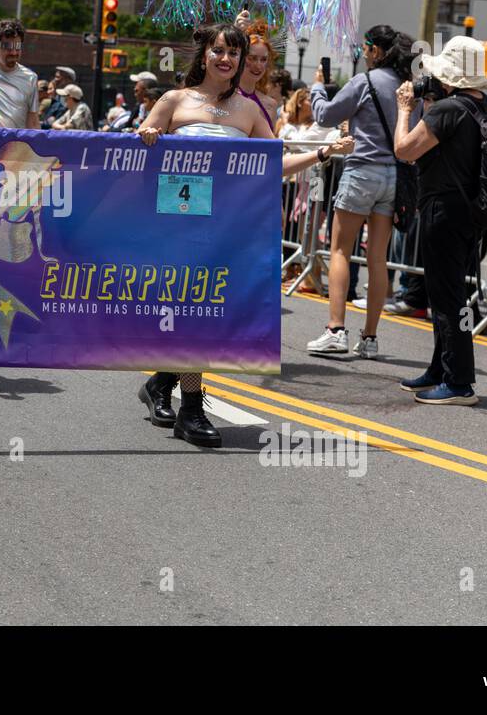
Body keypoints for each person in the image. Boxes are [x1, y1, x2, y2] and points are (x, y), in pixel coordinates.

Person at [133, 22, 275, 448]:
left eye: (234, 53)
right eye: (219, 51)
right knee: (191, 311)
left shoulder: (249, 110)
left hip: (224, 226)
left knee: (201, 311)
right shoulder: (174, 99)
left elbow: (272, 160)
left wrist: (321, 153)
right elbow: (131, 151)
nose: (226, 59)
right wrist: (147, 136)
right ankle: (191, 408)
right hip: (175, 225)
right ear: (204, 55)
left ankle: (162, 383)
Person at [392, 36, 487, 406]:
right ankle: (440, 368)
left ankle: (458, 382)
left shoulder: (448, 109)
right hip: (473, 211)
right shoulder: (485, 105)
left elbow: (405, 150)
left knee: (446, 295)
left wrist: (406, 109)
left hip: (444, 210)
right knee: (452, 293)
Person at [305, 25, 413, 360]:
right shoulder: (408, 87)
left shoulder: (365, 82)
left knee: (339, 250)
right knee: (377, 258)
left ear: (377, 51)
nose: (363, 53)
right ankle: (369, 337)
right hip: (393, 176)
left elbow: (324, 115)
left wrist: (317, 89)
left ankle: (336, 329)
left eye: (366, 48)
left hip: (361, 170)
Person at [0, 19, 39, 130]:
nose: (14, 52)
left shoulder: (30, 78)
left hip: (15, 145)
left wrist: (38, 146)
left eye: (17, 47)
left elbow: (33, 121)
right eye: (8, 47)